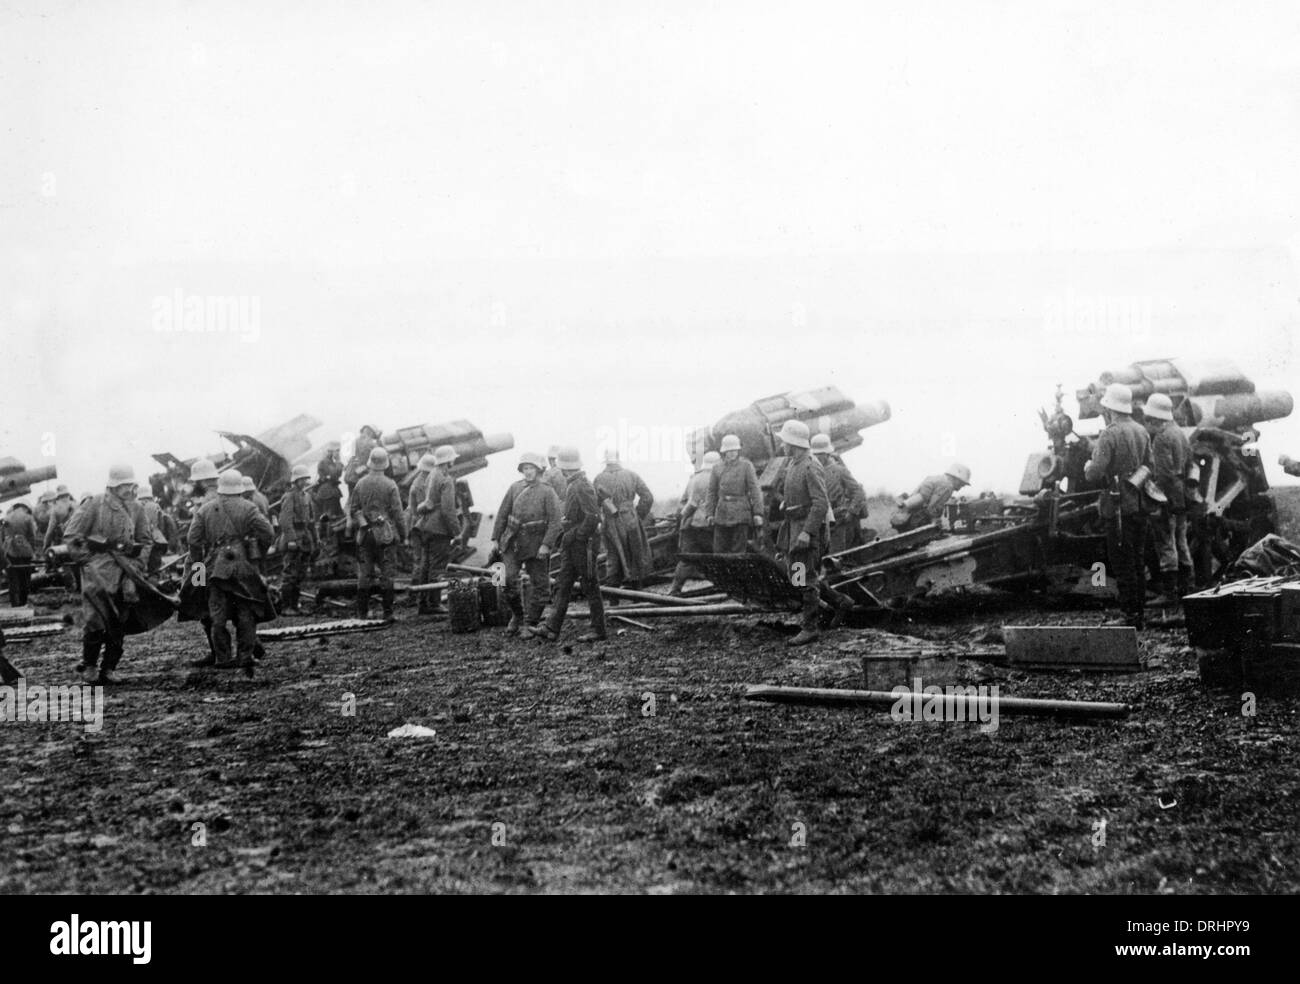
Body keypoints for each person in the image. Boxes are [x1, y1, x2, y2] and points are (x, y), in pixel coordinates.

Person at [62, 464, 154, 683]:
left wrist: (138, 565)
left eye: (130, 485)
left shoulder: (137, 508)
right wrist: (86, 561)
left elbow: (146, 540)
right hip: (97, 569)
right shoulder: (94, 504)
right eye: (123, 485)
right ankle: (91, 667)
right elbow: (72, 535)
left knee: (119, 620)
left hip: (126, 570)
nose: (128, 489)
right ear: (113, 486)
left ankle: (109, 668)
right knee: (95, 619)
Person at [187, 469, 275, 672]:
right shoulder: (249, 507)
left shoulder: (205, 509)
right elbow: (268, 532)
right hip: (241, 563)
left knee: (216, 612)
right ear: (240, 488)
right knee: (246, 609)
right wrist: (258, 554)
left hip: (214, 564)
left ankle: (222, 658)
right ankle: (245, 656)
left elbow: (193, 540)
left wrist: (199, 566)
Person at [1084, 382, 1152, 629]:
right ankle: (1140, 613)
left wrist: (1087, 466)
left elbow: (1094, 473)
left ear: (1110, 408)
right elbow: (1149, 465)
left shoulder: (1110, 434)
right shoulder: (1142, 431)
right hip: (1139, 505)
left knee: (1122, 562)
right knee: (1137, 560)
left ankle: (1129, 615)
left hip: (1117, 508)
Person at [530, 448, 607, 643]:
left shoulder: (582, 486)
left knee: (590, 586)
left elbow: (593, 517)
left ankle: (599, 630)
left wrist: (578, 535)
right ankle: (551, 628)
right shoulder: (574, 484)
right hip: (574, 543)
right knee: (563, 585)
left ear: (564, 468)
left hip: (584, 544)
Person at [773, 420, 831, 647]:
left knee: (805, 578)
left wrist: (807, 532)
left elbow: (820, 504)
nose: (782, 446)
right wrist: (787, 503)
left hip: (805, 530)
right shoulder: (794, 464)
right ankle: (833, 603)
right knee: (798, 577)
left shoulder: (810, 465)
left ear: (792, 443)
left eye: (784, 442)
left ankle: (810, 628)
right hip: (794, 527)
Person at [491, 452, 562, 634]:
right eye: (525, 468)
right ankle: (518, 615)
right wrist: (495, 539)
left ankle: (530, 623)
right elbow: (502, 514)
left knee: (541, 585)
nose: (528, 472)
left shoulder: (548, 491)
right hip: (512, 541)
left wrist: (546, 545)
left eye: (531, 468)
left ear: (539, 470)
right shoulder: (514, 488)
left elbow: (555, 521)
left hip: (535, 543)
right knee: (503, 578)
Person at [1142, 393, 1194, 604]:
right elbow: (1190, 464)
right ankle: (1188, 587)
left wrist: (1157, 499)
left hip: (1167, 498)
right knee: (1181, 542)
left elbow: (1163, 474)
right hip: (1182, 497)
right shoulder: (1180, 434)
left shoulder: (1163, 438)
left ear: (1155, 418)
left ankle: (1170, 594)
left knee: (1165, 543)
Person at [350, 446, 408, 620]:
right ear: (385, 464)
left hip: (365, 534)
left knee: (364, 574)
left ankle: (362, 613)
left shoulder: (360, 483)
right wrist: (403, 535)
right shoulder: (390, 485)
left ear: (370, 463)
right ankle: (388, 613)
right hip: (386, 535)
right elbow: (398, 513)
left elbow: (353, 510)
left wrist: (363, 523)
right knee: (387, 573)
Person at [178, 458, 222, 664]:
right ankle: (250, 644)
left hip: (202, 562)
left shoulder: (202, 504)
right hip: (227, 558)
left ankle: (216, 652)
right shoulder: (228, 497)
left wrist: (195, 567)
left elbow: (194, 539)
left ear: (202, 481)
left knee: (200, 602)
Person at [593, 450, 654, 594]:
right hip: (630, 519)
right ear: (618, 459)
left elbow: (595, 503)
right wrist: (638, 514)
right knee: (635, 554)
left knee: (613, 556)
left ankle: (613, 600)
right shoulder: (631, 475)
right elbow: (648, 497)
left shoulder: (598, 479)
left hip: (611, 522)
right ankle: (637, 595)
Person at [407, 445, 459, 615]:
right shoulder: (446, 479)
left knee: (426, 566)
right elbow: (448, 510)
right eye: (453, 459)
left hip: (425, 527)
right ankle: (434, 603)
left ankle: (423, 603)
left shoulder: (430, 475)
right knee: (437, 567)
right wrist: (457, 532)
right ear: (449, 461)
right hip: (439, 530)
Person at [669, 450, 720, 595]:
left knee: (687, 558)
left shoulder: (693, 479)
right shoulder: (716, 478)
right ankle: (724, 586)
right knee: (718, 556)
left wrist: (683, 518)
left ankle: (675, 589)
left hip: (689, 524)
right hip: (708, 525)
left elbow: (684, 502)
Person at [811, 434, 871, 554]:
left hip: (838, 519)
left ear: (827, 454)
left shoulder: (839, 470)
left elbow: (858, 492)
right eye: (815, 454)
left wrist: (851, 511)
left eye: (819, 454)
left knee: (837, 556)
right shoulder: (812, 471)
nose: (816, 457)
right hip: (820, 520)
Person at [706, 434, 764, 554]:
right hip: (721, 513)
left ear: (738, 450)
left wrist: (758, 513)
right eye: (729, 451)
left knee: (738, 551)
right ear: (724, 452)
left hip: (740, 513)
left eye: (735, 450)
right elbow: (711, 492)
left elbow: (755, 490)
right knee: (719, 551)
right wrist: (709, 514)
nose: (732, 453)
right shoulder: (717, 468)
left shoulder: (746, 466)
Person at [276, 463, 316, 614]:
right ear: (295, 480)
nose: (304, 482)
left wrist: (315, 539)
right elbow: (285, 520)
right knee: (290, 573)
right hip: (293, 537)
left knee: (300, 573)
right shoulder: (289, 496)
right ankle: (287, 607)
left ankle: (295, 604)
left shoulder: (307, 496)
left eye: (306, 479)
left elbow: (311, 520)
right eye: (302, 479)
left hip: (305, 536)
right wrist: (292, 539)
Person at [890, 464, 971, 532]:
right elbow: (933, 510)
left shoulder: (935, 479)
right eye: (962, 483)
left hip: (907, 519)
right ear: (956, 478)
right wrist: (938, 528)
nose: (962, 486)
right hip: (917, 523)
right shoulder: (948, 486)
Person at [3, 502, 37, 607]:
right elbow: (32, 536)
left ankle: (14, 604)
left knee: (12, 579)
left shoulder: (7, 517)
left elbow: (3, 536)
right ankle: (23, 603)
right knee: (25, 579)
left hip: (9, 550)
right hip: (25, 551)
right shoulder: (28, 517)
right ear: (25, 508)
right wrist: (33, 550)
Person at [136, 489, 171, 577]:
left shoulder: (136, 506)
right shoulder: (155, 506)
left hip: (141, 538)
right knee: (155, 566)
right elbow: (161, 523)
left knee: (141, 563)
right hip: (155, 537)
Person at [313, 443, 345, 520]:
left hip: (332, 491)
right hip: (328, 492)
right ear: (330, 451)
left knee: (338, 517)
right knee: (331, 518)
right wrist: (338, 461)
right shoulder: (324, 462)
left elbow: (338, 474)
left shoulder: (330, 462)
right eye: (336, 451)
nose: (338, 453)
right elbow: (334, 474)